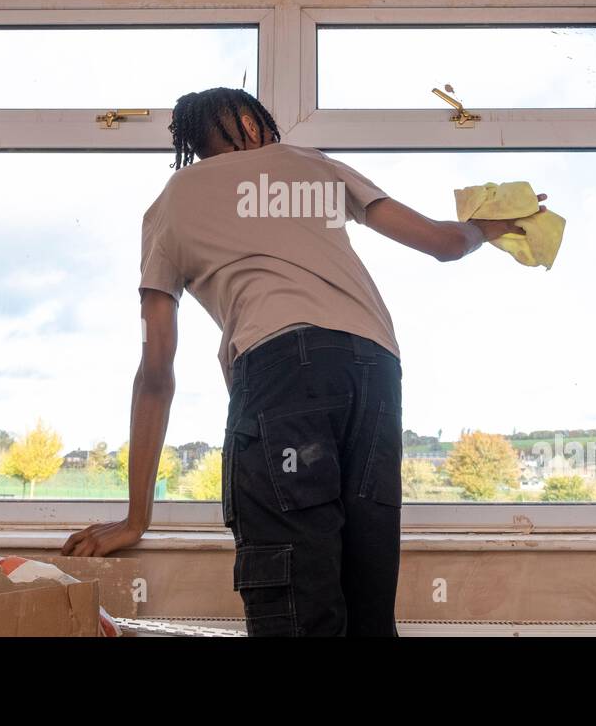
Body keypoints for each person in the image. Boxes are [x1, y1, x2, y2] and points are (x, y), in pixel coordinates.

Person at [62, 87, 545, 636]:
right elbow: (442, 243)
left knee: (296, 601)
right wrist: (485, 227)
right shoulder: (311, 165)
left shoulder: (172, 201)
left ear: (193, 142)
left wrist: (136, 518)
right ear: (249, 120)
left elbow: (156, 369)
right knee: (367, 595)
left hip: (284, 373)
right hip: (375, 371)